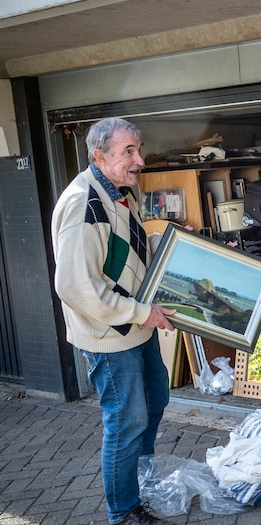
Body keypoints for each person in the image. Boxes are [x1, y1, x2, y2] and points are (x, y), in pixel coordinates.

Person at [51, 117, 177, 525]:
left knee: (155, 401)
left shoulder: (120, 193)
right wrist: (144, 313)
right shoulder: (83, 205)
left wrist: (173, 244)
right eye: (129, 152)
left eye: (139, 150)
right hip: (110, 335)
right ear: (99, 156)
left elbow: (125, 255)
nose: (140, 160)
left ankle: (141, 484)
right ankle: (123, 512)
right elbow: (74, 285)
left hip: (136, 326)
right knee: (126, 421)